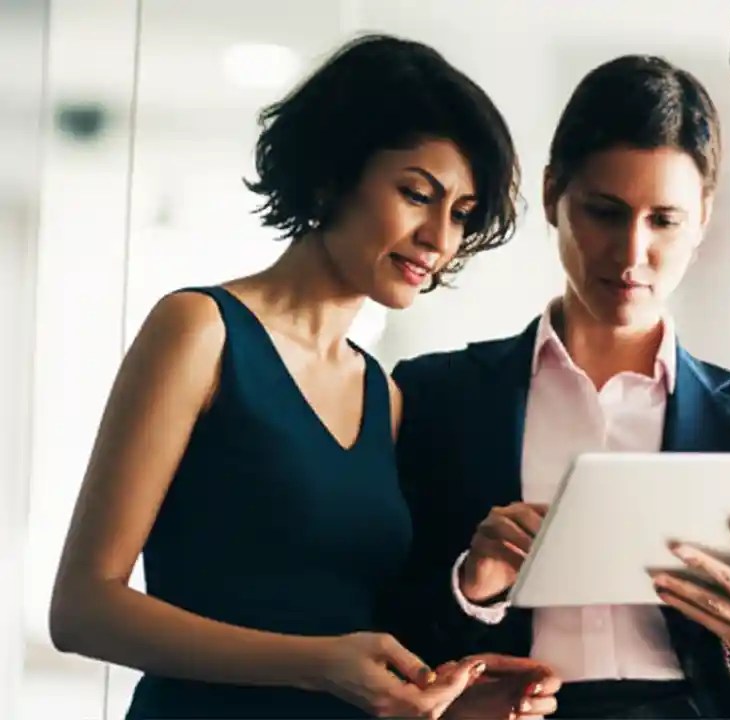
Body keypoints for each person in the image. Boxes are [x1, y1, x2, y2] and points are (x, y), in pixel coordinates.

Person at [47, 33, 560, 719]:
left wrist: (450, 699)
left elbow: (359, 645)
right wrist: (318, 666)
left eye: (461, 215)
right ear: (332, 174)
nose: (439, 239)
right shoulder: (200, 331)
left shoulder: (386, 397)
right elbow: (82, 610)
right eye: (417, 194)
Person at [387, 55, 730, 718]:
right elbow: (392, 631)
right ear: (554, 193)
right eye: (605, 212)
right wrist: (471, 589)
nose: (631, 253)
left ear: (703, 218)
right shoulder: (436, 398)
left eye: (664, 221)